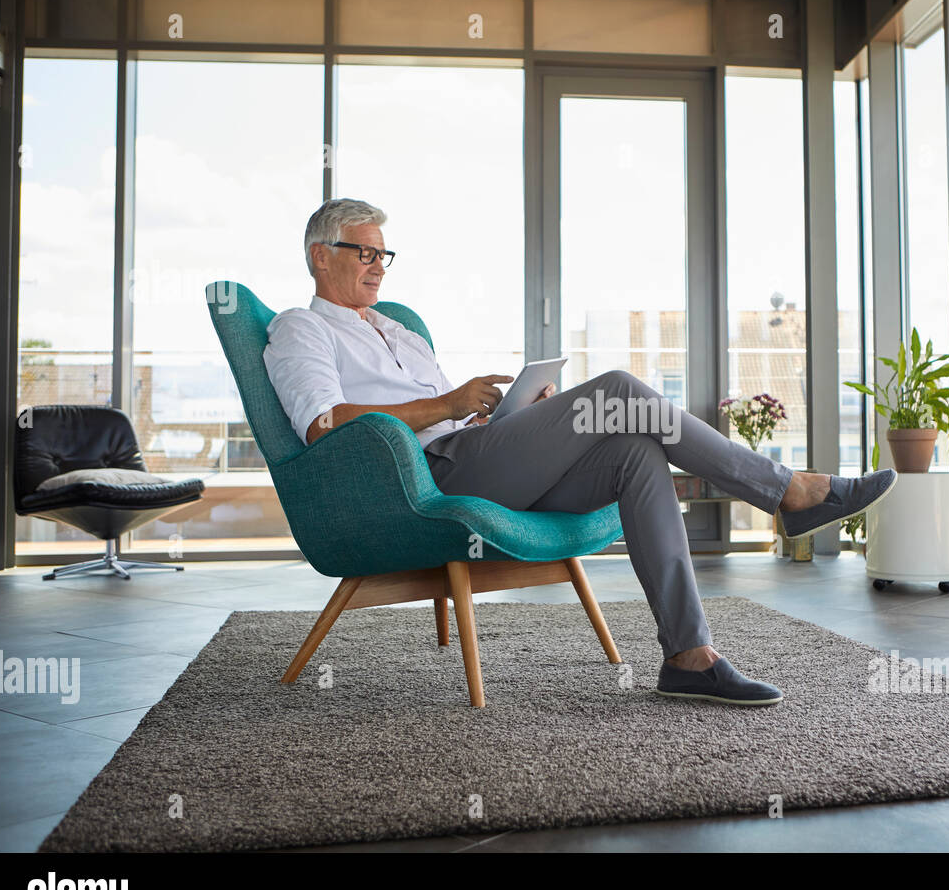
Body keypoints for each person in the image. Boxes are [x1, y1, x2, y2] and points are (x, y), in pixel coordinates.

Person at [264, 198, 897, 707]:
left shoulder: (396, 326)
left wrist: (518, 413)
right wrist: (451, 404)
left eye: (384, 254)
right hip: (431, 479)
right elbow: (325, 423)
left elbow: (451, 412)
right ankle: (788, 491)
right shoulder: (301, 328)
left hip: (476, 452)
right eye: (363, 252)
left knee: (633, 449)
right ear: (321, 257)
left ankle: (689, 657)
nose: (377, 265)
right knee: (620, 391)